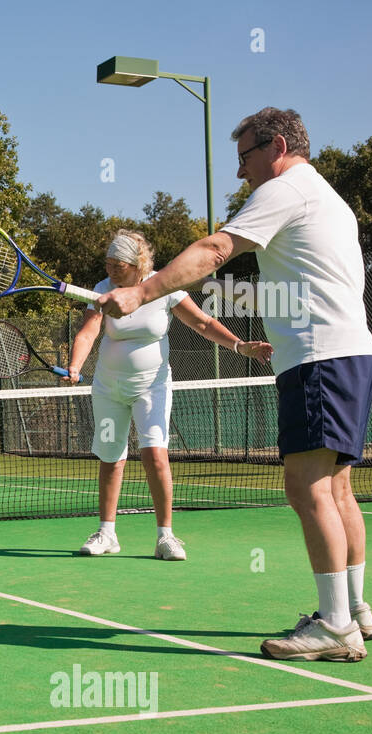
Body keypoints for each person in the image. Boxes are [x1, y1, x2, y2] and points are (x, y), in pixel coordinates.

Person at [97, 108, 372, 662]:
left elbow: (214, 251)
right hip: (352, 354)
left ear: (276, 146)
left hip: (319, 359)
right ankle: (355, 610)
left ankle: (336, 628)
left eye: (245, 158)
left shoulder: (287, 189)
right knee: (338, 489)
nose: (240, 173)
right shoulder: (327, 197)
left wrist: (141, 291)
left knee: (308, 488)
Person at [65, 229, 273, 560]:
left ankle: (166, 537)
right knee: (110, 457)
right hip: (108, 385)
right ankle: (106, 533)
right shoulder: (102, 291)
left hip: (152, 385)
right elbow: (88, 333)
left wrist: (240, 346)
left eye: (118, 265)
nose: (111, 271)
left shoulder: (164, 286)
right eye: (108, 264)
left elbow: (203, 323)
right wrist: (75, 365)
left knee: (155, 455)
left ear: (137, 265)